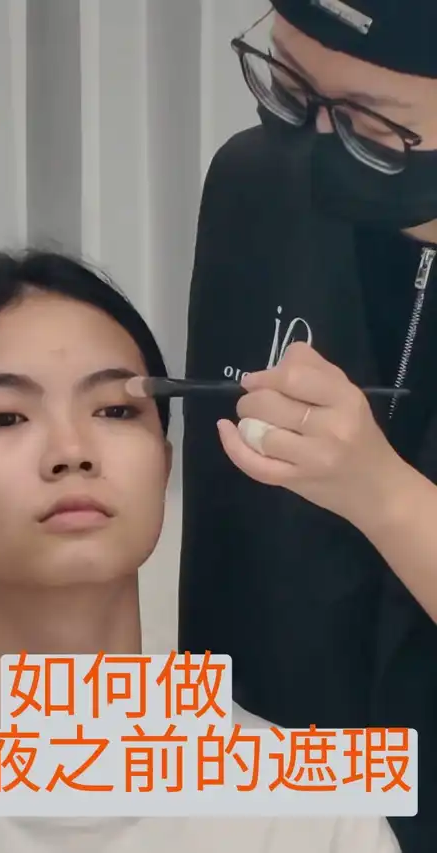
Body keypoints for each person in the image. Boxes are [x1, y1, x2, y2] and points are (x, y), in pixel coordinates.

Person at [0, 250, 398, 852]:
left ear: (164, 467)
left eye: (115, 410)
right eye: (6, 417)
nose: (72, 451)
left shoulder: (314, 814)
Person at [179, 3, 437, 852]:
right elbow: (229, 543)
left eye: (372, 120)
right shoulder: (256, 183)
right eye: (288, 85)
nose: (316, 140)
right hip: (272, 776)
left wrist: (384, 495)